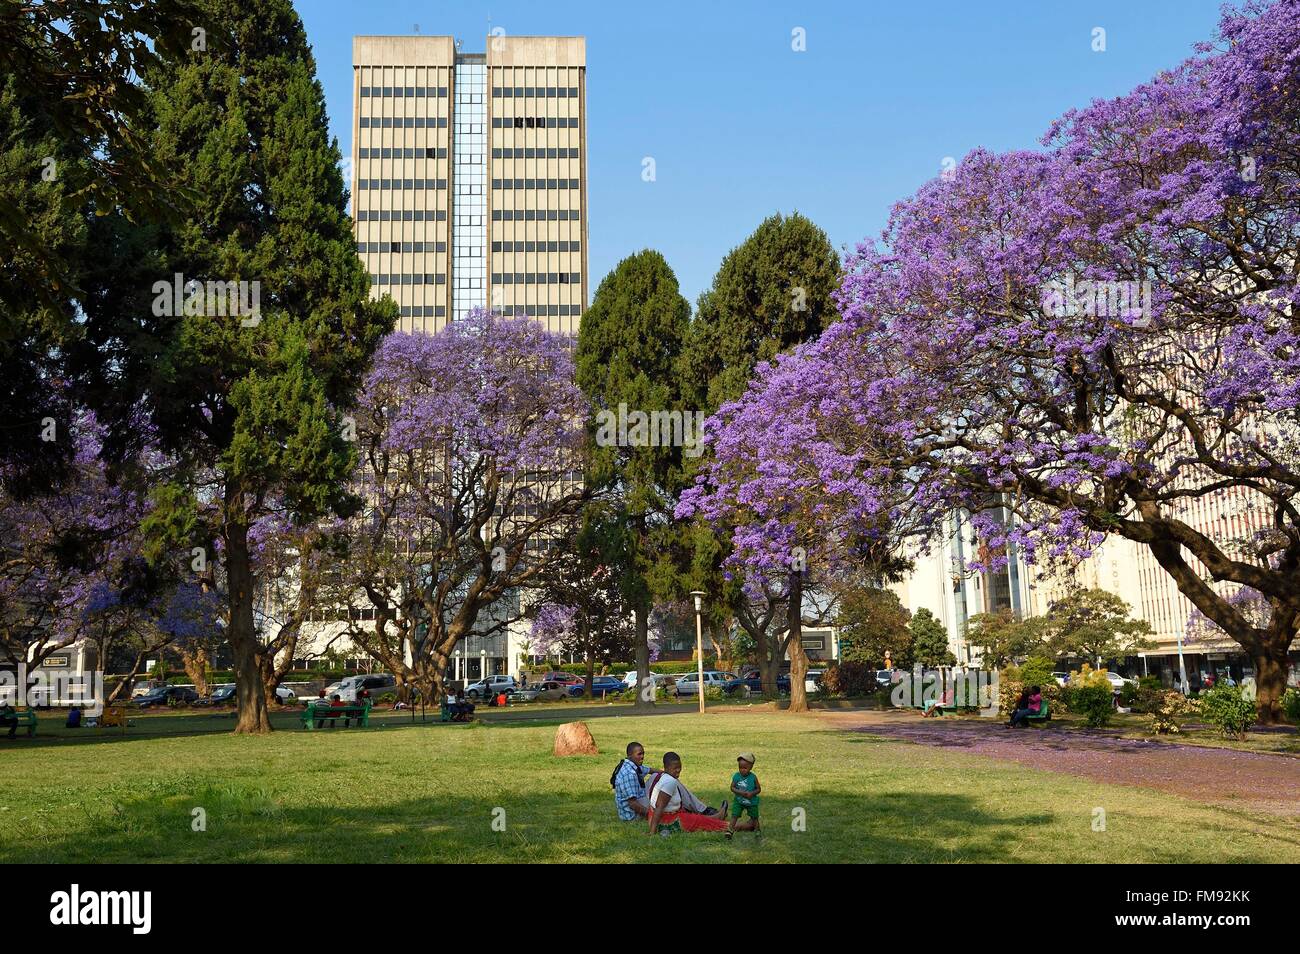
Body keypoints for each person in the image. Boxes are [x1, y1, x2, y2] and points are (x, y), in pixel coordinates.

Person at [647, 752, 730, 834]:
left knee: (694, 817)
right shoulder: (670, 781)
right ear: (666, 768)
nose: (678, 770)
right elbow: (659, 806)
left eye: (679, 767)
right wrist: (652, 832)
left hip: (660, 817)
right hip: (668, 820)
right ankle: (737, 825)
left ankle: (714, 817)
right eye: (675, 768)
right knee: (716, 825)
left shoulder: (664, 776)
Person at [726, 752, 761, 839]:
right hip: (739, 800)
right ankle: (730, 830)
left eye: (745, 768)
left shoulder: (753, 777)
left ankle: (757, 831)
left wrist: (752, 793)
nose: (742, 770)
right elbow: (732, 788)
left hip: (751, 801)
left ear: (751, 767)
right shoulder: (736, 776)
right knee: (735, 815)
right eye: (740, 767)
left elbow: (758, 789)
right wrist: (740, 793)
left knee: (754, 817)